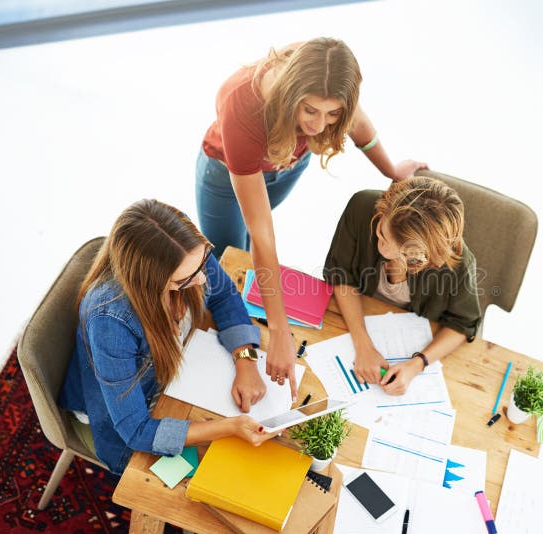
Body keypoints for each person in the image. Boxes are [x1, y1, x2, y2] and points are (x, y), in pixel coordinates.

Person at [195, 37, 427, 399]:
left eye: (333, 114)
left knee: (250, 251)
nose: (320, 126)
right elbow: (263, 235)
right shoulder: (243, 104)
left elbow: (359, 124)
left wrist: (392, 170)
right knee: (227, 261)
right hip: (225, 174)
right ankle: (231, 347)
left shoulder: (327, 75)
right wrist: (281, 330)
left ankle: (247, 318)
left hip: (284, 166)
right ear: (290, 97)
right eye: (310, 112)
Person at [58, 199, 276, 474]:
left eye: (203, 262)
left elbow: (224, 295)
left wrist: (246, 360)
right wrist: (229, 427)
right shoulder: (109, 322)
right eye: (183, 281)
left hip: (176, 381)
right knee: (232, 475)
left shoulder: (185, 253)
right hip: (132, 419)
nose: (201, 280)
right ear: (149, 282)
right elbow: (136, 430)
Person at [323, 176, 482, 395]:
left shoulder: (458, 263)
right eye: (381, 231)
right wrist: (363, 345)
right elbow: (340, 274)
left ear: (418, 256)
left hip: (411, 342)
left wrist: (417, 364)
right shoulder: (362, 207)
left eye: (389, 243)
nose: (380, 242)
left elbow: (463, 324)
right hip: (351, 318)